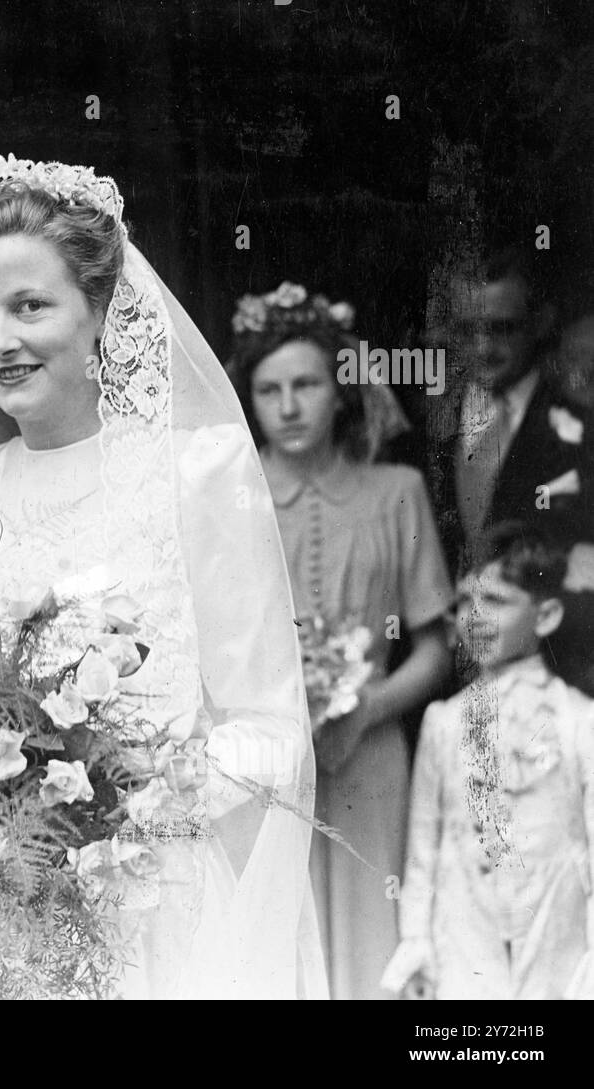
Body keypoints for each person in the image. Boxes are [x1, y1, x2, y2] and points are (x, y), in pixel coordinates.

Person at [0, 154, 326, 998]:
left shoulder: (198, 469)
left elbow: (273, 727)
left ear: (100, 313)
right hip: (7, 931)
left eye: (30, 306)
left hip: (162, 919)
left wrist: (121, 804)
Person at [225, 285, 454, 999]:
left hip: (368, 751)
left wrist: (365, 709)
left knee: (370, 939)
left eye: (307, 384)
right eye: (269, 389)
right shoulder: (230, 493)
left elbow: (436, 648)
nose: (289, 406)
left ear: (340, 390)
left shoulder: (397, 490)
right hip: (261, 763)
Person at [385, 523, 594, 1000]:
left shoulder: (580, 721)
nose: (473, 617)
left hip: (556, 934)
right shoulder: (443, 723)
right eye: (462, 602)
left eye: (496, 601)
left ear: (546, 616)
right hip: (463, 930)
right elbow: (423, 849)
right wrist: (416, 942)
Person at [435, 247, 594, 692]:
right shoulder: (423, 422)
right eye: (468, 330)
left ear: (541, 321)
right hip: (444, 688)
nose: (483, 348)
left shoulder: (584, 431)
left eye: (502, 328)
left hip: (551, 682)